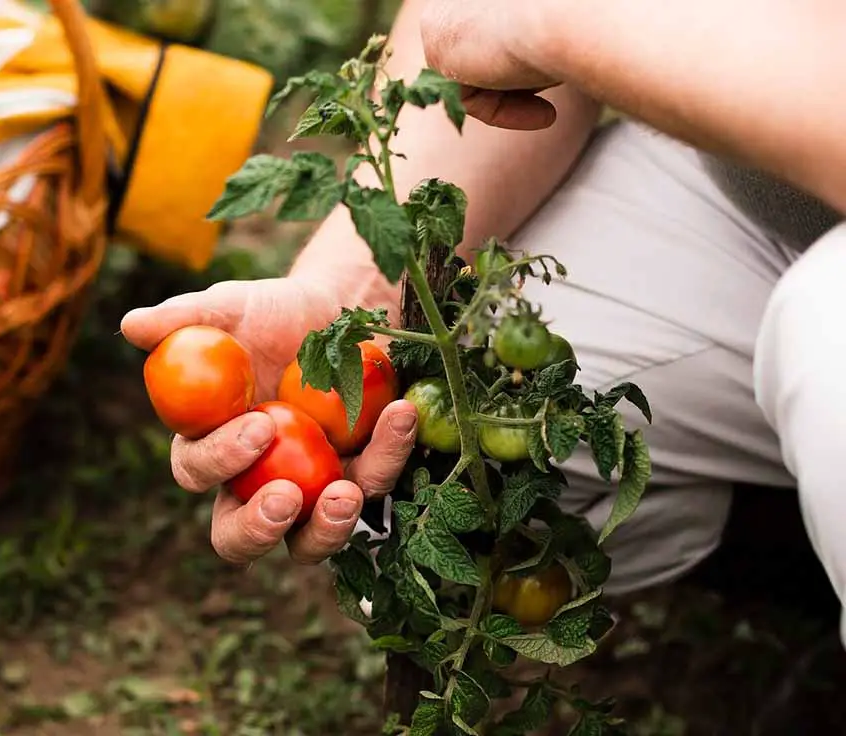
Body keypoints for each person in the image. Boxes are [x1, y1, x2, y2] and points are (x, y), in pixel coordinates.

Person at [120, 0, 846, 634]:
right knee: (429, 486)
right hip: (744, 185)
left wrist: (553, 20)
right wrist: (362, 289)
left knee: (824, 334)